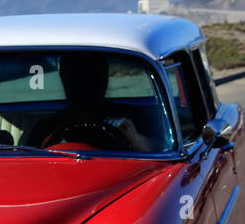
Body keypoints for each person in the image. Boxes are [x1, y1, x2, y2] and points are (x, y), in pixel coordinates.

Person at [25, 52, 161, 152]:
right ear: (64, 80)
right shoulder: (46, 127)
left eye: (92, 78)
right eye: (76, 79)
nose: (84, 87)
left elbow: (164, 149)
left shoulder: (133, 120)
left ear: (104, 79)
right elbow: (27, 161)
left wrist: (135, 139)